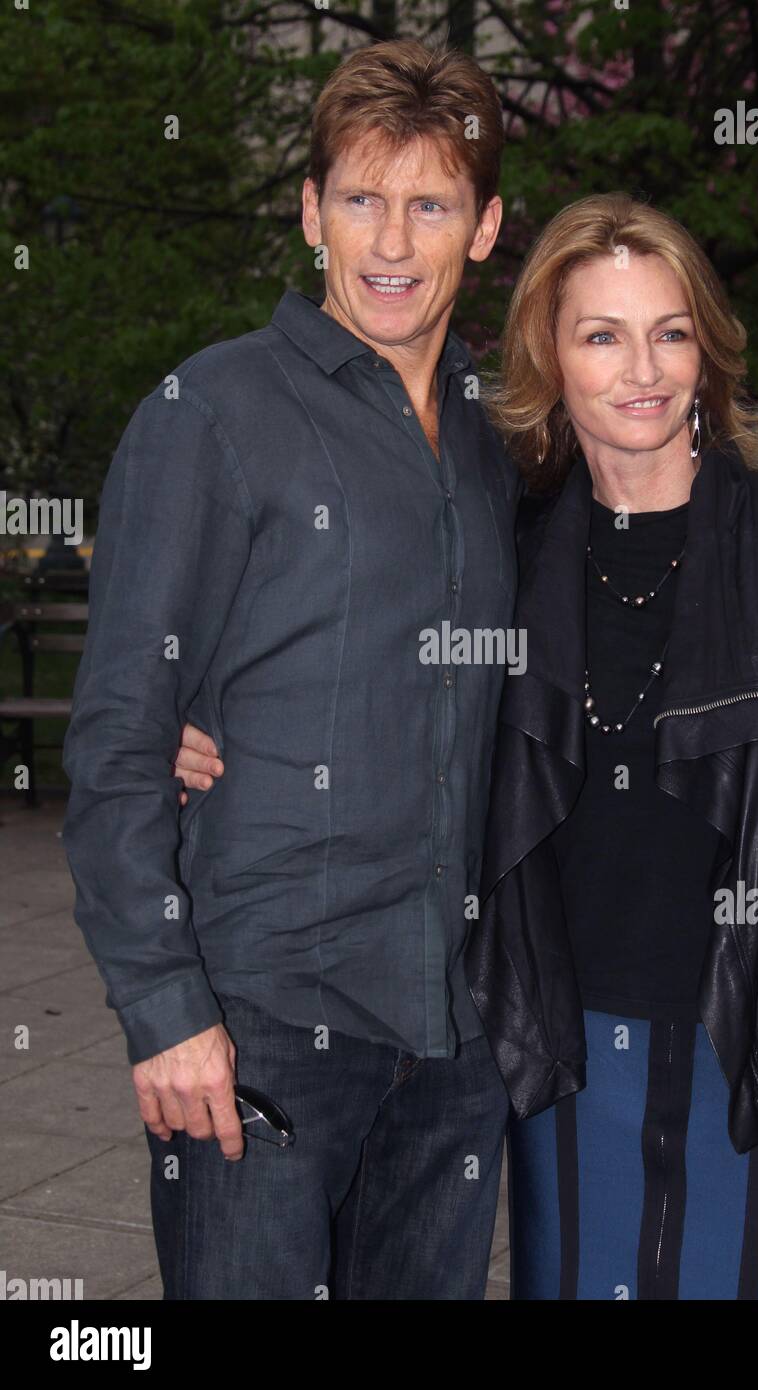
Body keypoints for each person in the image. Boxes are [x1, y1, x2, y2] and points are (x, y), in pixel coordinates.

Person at [176, 195, 758, 1300]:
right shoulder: (509, 541)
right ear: (550, 355)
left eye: (668, 331)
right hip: (562, 1063)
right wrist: (197, 716)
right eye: (601, 335)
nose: (641, 367)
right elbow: (365, 674)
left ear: (705, 352)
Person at [61, 40, 517, 1301]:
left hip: (453, 1030)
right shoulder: (209, 413)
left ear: (481, 229)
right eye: (360, 198)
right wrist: (162, 1010)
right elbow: (113, 733)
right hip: (255, 1021)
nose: (390, 237)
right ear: (310, 212)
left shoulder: (498, 440)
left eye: (428, 204)